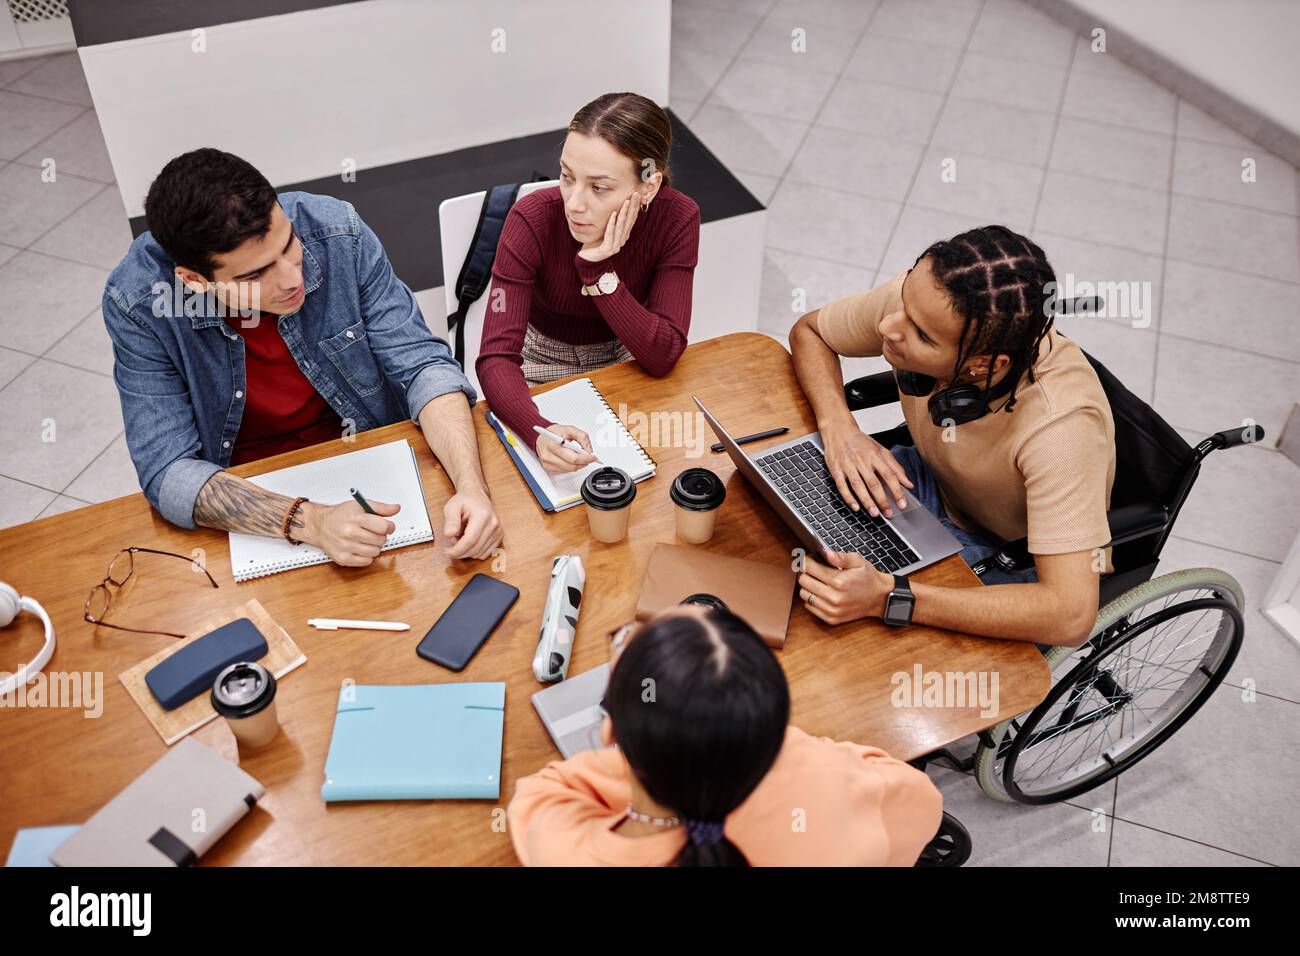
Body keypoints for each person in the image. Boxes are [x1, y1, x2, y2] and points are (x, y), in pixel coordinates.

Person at [103, 148, 502, 564]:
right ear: (194, 280)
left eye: (288, 245)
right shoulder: (140, 302)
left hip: (370, 461)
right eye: (255, 274)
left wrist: (471, 487)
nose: (294, 279)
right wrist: (310, 522)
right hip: (249, 502)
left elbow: (422, 367)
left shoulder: (336, 231)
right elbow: (168, 471)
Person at [788, 225, 1115, 647]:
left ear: (984, 366)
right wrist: (840, 430)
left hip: (1006, 557)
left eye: (921, 335)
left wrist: (891, 598)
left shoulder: (1061, 431)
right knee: (780, 549)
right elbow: (810, 332)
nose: (888, 325)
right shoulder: (924, 306)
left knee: (851, 652)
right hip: (925, 482)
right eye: (904, 298)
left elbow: (1069, 617)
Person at [507, 603, 943, 866]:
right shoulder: (819, 770)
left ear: (609, 733)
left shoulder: (573, 849)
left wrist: (633, 760)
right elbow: (922, 803)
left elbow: (539, 794)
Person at [476, 92, 701, 474]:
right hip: (540, 361)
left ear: (647, 186)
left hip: (628, 356)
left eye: (598, 188)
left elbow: (664, 354)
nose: (574, 204)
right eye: (567, 177)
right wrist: (540, 433)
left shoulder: (677, 218)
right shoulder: (531, 219)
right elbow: (496, 357)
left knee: (651, 480)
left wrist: (599, 271)